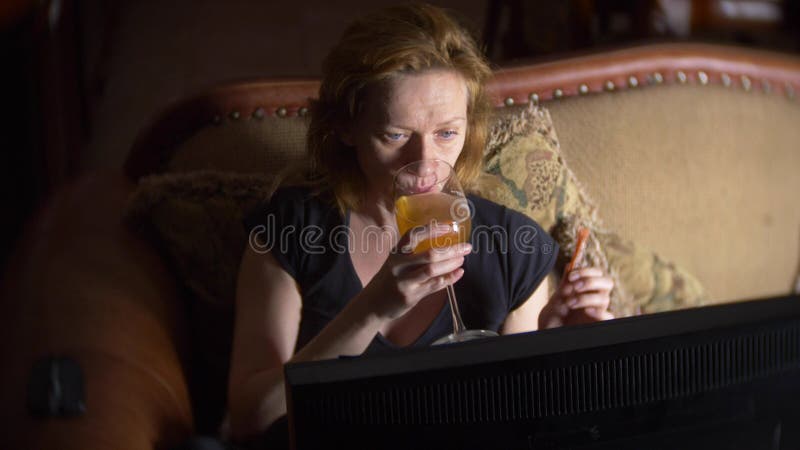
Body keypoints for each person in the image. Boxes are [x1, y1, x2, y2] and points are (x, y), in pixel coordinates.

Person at [226, 3, 614, 447]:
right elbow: (249, 420)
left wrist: (554, 351)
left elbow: (518, 423)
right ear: (346, 127)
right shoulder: (291, 231)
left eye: (447, 133)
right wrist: (370, 310)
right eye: (395, 135)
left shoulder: (513, 247)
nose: (426, 164)